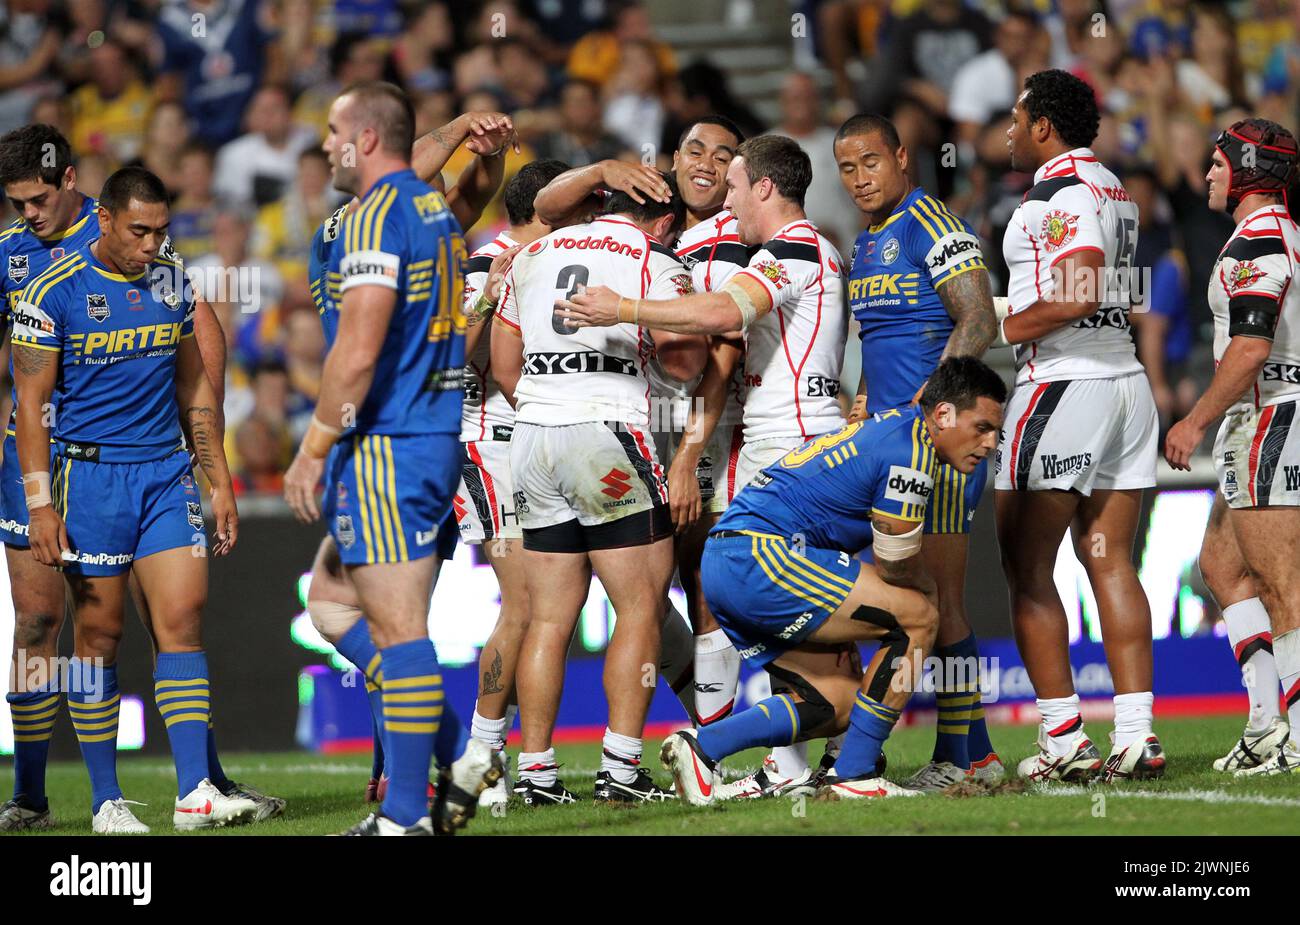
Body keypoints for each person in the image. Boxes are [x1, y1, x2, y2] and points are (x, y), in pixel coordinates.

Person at [0, 126, 275, 832]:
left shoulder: (135, 232)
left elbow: (196, 336)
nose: (24, 214)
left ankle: (200, 779)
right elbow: (22, 390)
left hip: (150, 457)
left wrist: (208, 458)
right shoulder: (10, 259)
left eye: (33, 200)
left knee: (171, 618)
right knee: (39, 623)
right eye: (14, 203)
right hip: (47, 461)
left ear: (69, 185)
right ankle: (32, 791)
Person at [557, 133, 849, 797]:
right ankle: (790, 758)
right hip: (727, 440)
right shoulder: (671, 244)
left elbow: (720, 324)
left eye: (733, 168)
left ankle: (790, 755)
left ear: (758, 186)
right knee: (723, 591)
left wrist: (623, 309)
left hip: (770, 443)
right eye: (697, 151)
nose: (718, 175)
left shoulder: (777, 249)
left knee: (764, 599)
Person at [288, 94, 514, 833]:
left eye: (331, 133)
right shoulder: (429, 216)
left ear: (367, 140)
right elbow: (455, 184)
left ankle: (407, 813)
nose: (323, 147)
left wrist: (312, 448)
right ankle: (451, 764)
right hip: (431, 438)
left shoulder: (376, 217)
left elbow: (356, 353)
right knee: (332, 598)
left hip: (387, 440)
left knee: (400, 632)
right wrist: (475, 141)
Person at [659, 358, 1005, 802]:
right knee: (920, 616)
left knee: (834, 704)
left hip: (733, 560)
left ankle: (702, 749)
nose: (990, 442)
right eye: (982, 427)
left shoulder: (898, 429)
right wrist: (928, 587)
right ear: (943, 415)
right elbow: (895, 560)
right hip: (762, 556)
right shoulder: (913, 449)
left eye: (995, 431)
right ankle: (856, 773)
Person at [489, 173, 708, 805]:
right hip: (606, 432)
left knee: (550, 618)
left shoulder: (531, 254)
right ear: (663, 219)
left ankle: (536, 774)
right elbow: (683, 358)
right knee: (639, 606)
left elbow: (504, 364)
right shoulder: (656, 258)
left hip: (530, 438)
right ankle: (619, 767)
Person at [532, 115, 750, 737]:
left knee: (704, 587)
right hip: (638, 432)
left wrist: (687, 458)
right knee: (652, 594)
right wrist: (600, 168)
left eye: (723, 153)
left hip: (714, 434)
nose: (706, 162)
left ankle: (724, 749)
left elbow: (719, 357)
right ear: (674, 160)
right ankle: (708, 737)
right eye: (695, 149)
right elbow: (546, 204)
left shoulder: (737, 239)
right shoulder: (658, 237)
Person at [993, 69, 1162, 782]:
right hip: (1125, 383)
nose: (1006, 129)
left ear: (1042, 126)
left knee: (1026, 565)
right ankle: (1134, 734)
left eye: (1015, 116)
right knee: (1110, 559)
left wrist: (1001, 326)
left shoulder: (1058, 190)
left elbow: (1082, 282)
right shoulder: (1111, 185)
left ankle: (1063, 737)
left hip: (1065, 385)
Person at [834, 112, 1003, 791]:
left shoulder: (930, 222)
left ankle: (964, 754)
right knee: (917, 601)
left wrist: (929, 407)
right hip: (890, 443)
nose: (859, 179)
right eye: (847, 169)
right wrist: (865, 400)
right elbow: (883, 336)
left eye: (870, 162)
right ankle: (976, 750)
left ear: (903, 157)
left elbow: (980, 316)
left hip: (934, 446)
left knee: (942, 601)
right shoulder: (865, 241)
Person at [1165, 118, 1300, 776]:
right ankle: (1265, 722)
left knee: (1283, 586)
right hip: (1264, 420)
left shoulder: (1260, 239)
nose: (1210, 172)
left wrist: (1194, 421)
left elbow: (1250, 346)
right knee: (1220, 567)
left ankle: (1297, 734)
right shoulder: (1274, 234)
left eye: (1219, 162)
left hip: (1273, 415)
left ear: (1246, 170)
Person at [453, 158, 576, 807]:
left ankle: (522, 763)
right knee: (525, 603)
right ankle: (482, 756)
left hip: (543, 444)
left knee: (550, 605)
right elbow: (452, 350)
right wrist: (489, 292)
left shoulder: (562, 258)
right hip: (490, 443)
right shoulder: (488, 259)